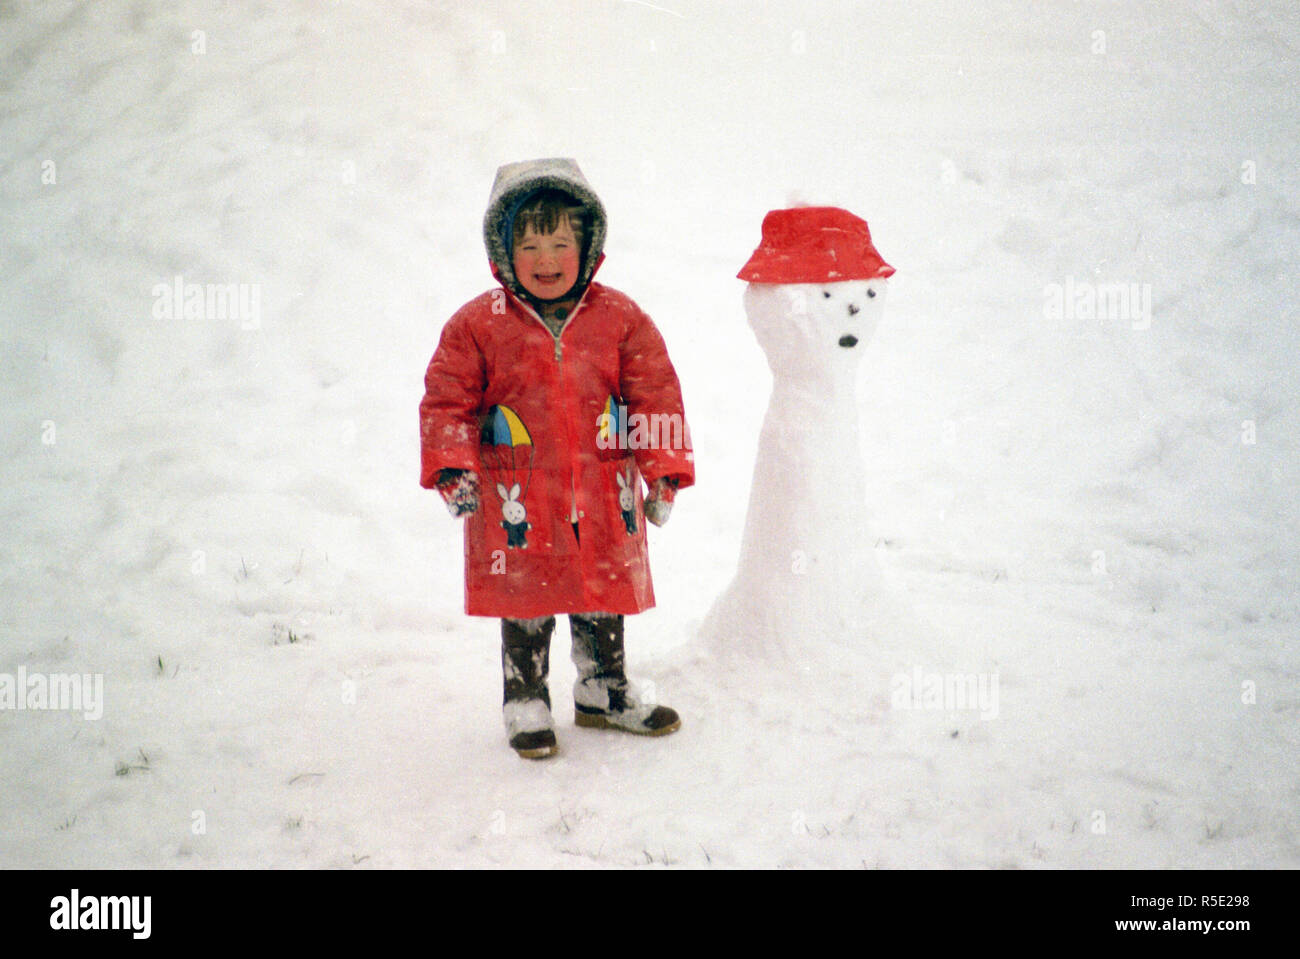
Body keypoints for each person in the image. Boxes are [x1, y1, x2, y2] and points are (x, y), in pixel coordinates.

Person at [419, 158, 694, 759]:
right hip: (519, 492)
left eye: (560, 243)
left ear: (587, 244)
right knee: (527, 595)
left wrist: (664, 471)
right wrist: (452, 467)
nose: (546, 260)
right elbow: (448, 399)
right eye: (531, 245)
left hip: (601, 491)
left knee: (601, 591)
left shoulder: (621, 319)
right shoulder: (477, 326)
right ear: (503, 251)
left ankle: (603, 690)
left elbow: (655, 392)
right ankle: (526, 699)